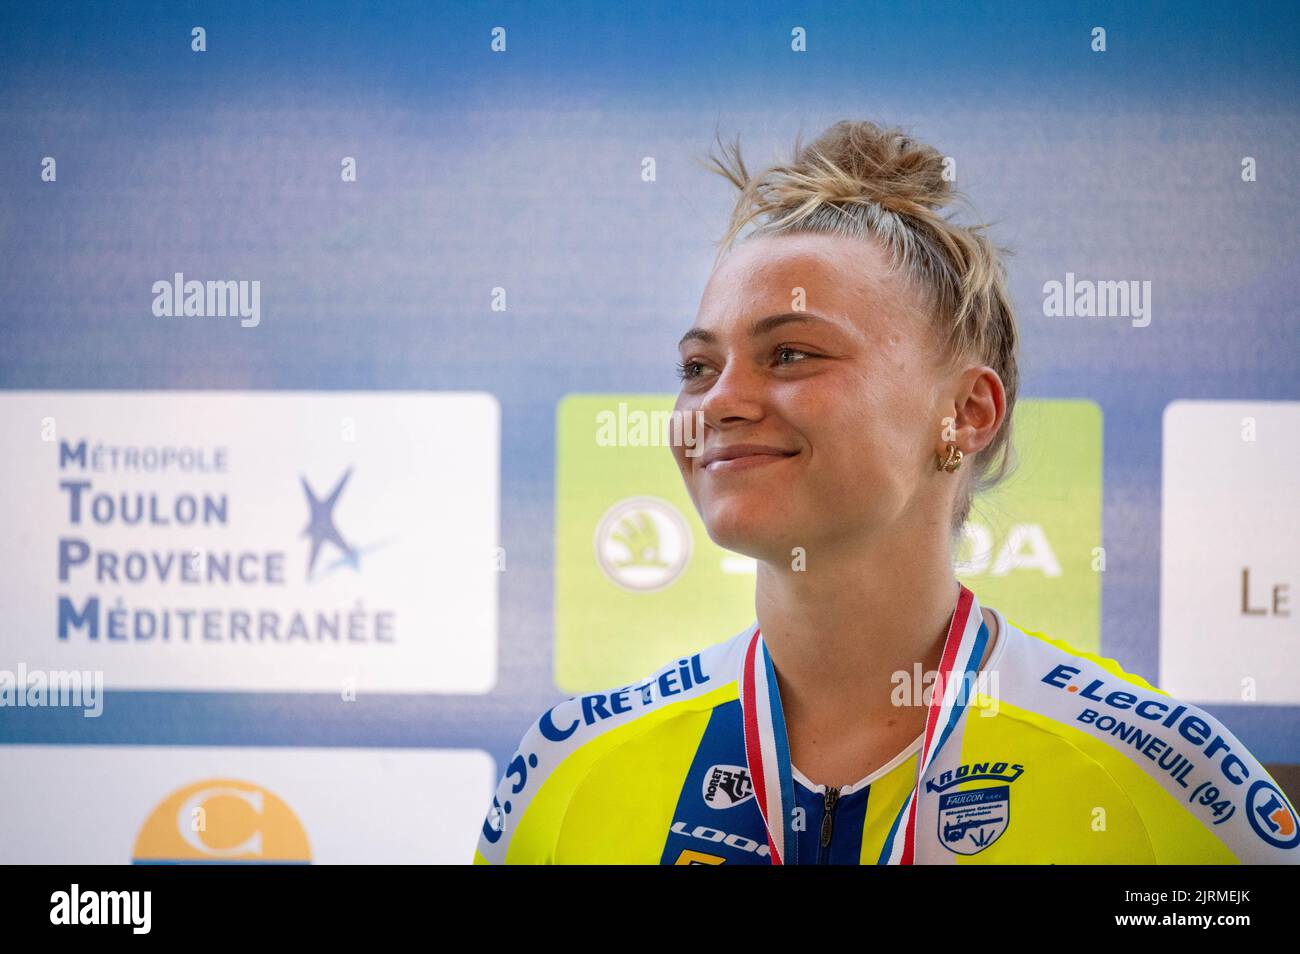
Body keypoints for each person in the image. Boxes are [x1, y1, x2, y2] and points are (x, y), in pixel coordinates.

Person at [473, 119, 1298, 864]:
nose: (720, 400)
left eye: (791, 354)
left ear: (965, 413)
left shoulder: (1160, 783)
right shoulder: (570, 769)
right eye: (698, 367)